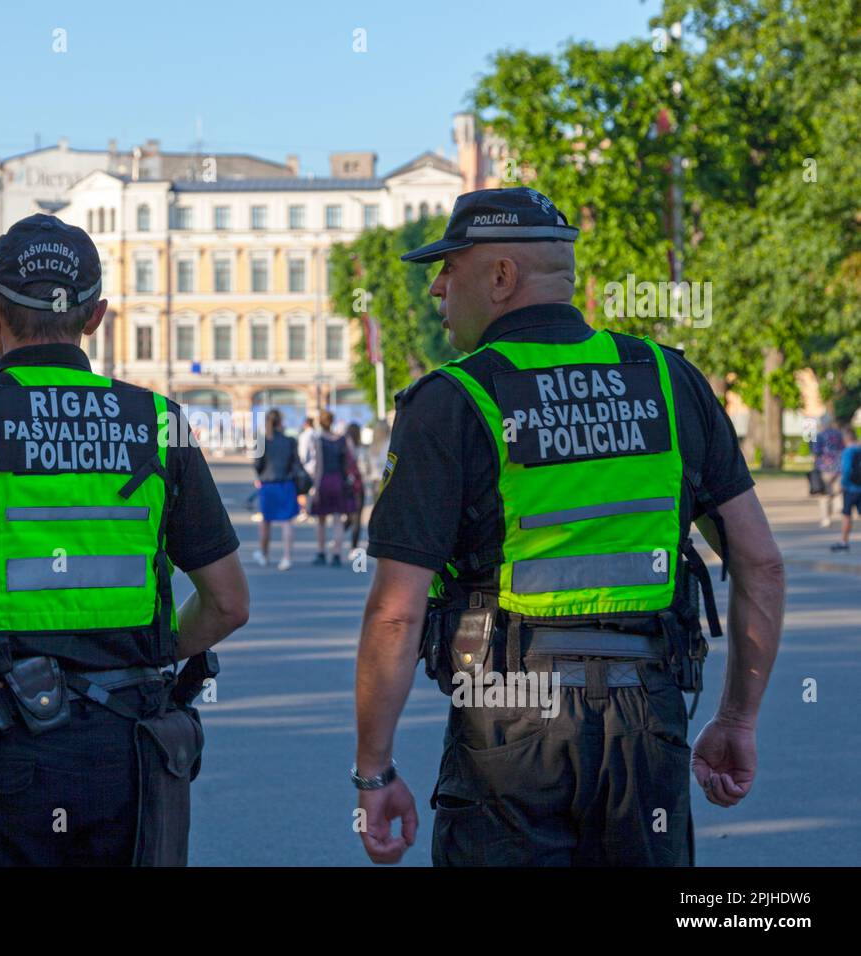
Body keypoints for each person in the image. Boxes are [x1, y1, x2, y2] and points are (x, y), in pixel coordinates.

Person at [353, 187, 785, 866]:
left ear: (500, 278)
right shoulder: (669, 381)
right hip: (648, 720)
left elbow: (397, 614)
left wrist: (373, 772)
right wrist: (737, 719)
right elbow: (761, 563)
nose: (438, 288)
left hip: (508, 725)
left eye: (450, 267)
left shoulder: (454, 399)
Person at [0, 214, 249, 866]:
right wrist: (140, 661)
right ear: (98, 316)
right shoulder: (158, 423)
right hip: (130, 757)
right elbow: (227, 603)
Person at [252, 409, 300, 570]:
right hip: (286, 483)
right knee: (286, 523)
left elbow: (257, 464)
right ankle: (286, 557)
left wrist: (259, 476)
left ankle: (264, 555)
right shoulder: (290, 440)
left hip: (267, 484)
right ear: (281, 421)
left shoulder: (262, 440)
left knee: (265, 522)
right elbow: (296, 462)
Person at [309, 410, 356, 566]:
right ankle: (337, 554)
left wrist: (315, 488)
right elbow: (352, 458)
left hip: (324, 480)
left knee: (321, 520)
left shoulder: (319, 440)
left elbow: (319, 465)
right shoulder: (342, 439)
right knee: (338, 519)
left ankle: (321, 552)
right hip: (339, 481)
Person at [811, 415, 845, 527]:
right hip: (839, 466)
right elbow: (843, 448)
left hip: (824, 467)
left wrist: (814, 464)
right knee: (838, 491)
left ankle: (826, 519)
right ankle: (838, 506)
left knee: (824, 494)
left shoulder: (818, 435)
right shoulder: (838, 433)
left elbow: (816, 451)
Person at [831, 427, 860, 552]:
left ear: (846, 438)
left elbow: (846, 469)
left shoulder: (848, 451)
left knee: (847, 515)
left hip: (851, 488)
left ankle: (844, 541)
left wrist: (843, 484)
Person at [342, 421, 369, 556]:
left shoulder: (343, 448)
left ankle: (339, 535)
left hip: (345, 485)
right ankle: (354, 547)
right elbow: (364, 469)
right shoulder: (361, 449)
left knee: (348, 513)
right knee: (357, 515)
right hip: (358, 486)